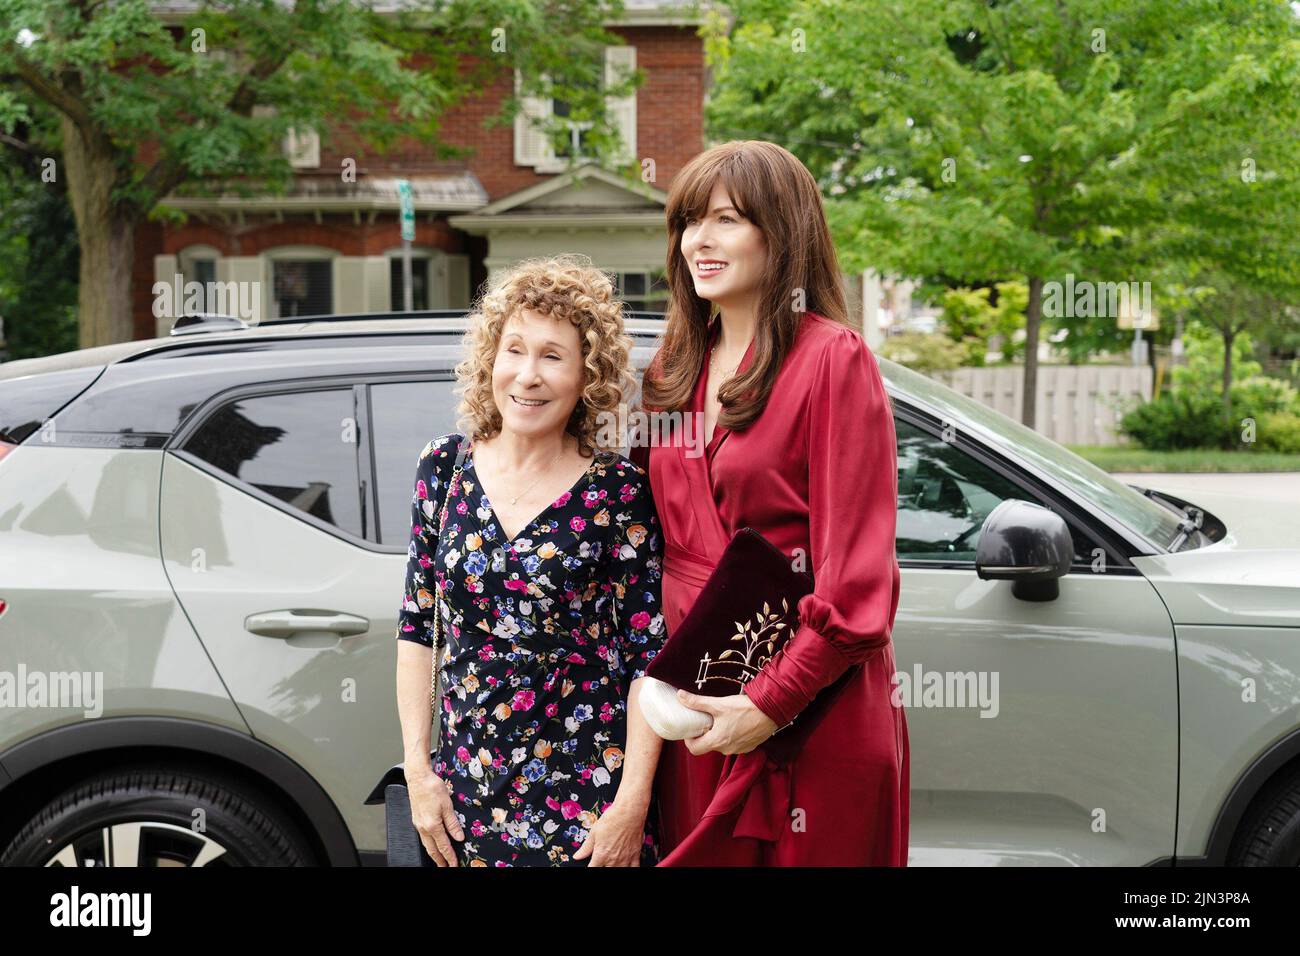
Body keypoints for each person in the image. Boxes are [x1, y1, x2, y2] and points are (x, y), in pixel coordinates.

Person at [636, 141, 909, 865]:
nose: (700, 239)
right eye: (689, 221)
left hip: (812, 710)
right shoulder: (669, 371)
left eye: (726, 219)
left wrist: (771, 703)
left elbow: (858, 580)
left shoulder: (833, 360)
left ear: (780, 231)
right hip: (696, 702)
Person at [395, 255, 666, 866]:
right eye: (514, 350)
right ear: (491, 358)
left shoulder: (617, 492)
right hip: (466, 789)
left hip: (589, 793)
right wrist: (419, 765)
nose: (527, 375)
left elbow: (648, 656)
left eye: (553, 356)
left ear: (586, 376)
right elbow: (417, 627)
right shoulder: (443, 468)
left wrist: (633, 802)